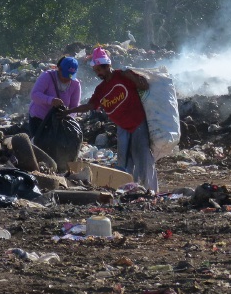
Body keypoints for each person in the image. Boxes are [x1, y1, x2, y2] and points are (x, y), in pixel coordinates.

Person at [62, 46, 158, 191]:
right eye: (95, 71)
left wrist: (131, 76)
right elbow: (90, 106)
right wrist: (69, 111)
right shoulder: (101, 89)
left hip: (138, 123)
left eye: (99, 70)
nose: (98, 74)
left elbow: (143, 86)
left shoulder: (123, 76)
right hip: (122, 127)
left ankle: (149, 190)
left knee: (142, 157)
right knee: (124, 161)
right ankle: (130, 189)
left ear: (107, 66)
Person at [28, 56, 81, 137]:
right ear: (59, 69)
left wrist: (68, 116)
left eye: (70, 76)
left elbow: (74, 107)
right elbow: (34, 94)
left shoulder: (75, 84)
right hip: (39, 118)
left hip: (59, 121)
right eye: (65, 75)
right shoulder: (47, 76)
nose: (67, 79)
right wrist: (51, 100)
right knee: (38, 145)